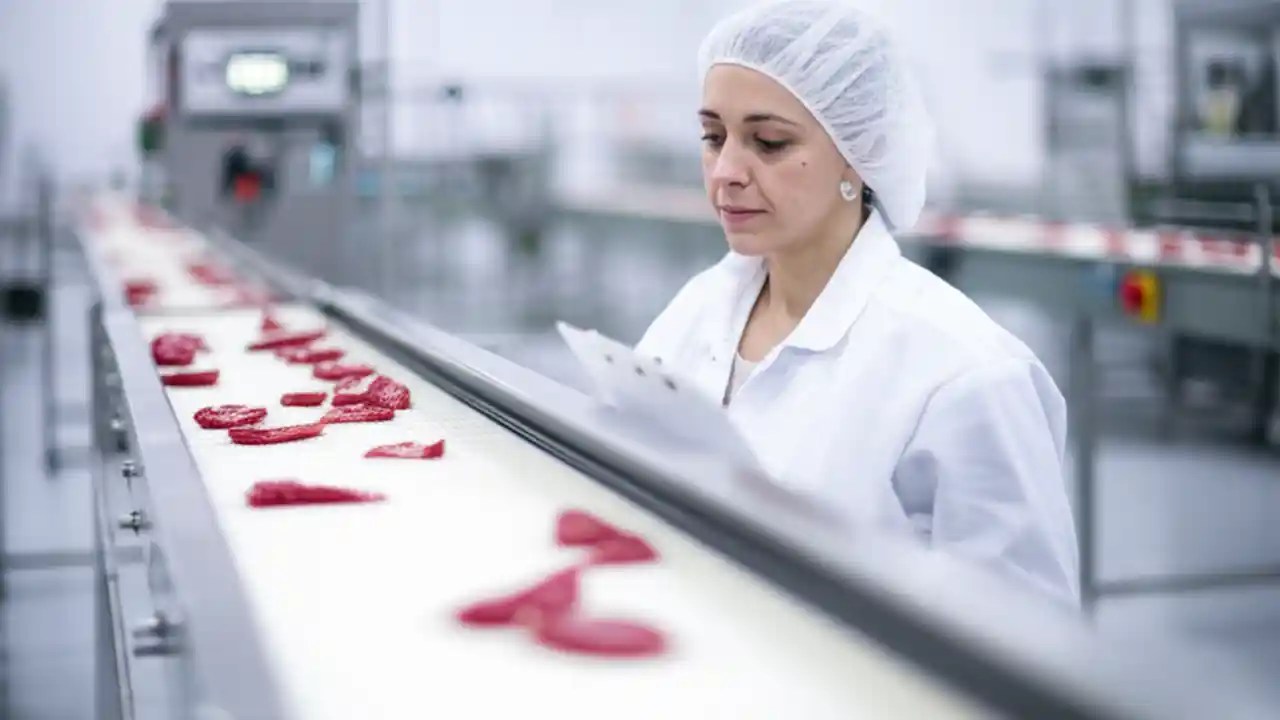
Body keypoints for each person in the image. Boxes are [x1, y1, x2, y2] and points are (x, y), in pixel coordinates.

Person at [636, 0, 1079, 606]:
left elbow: (1032, 641)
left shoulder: (964, 375)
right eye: (713, 137)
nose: (726, 172)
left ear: (858, 153)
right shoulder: (700, 308)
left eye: (767, 142)